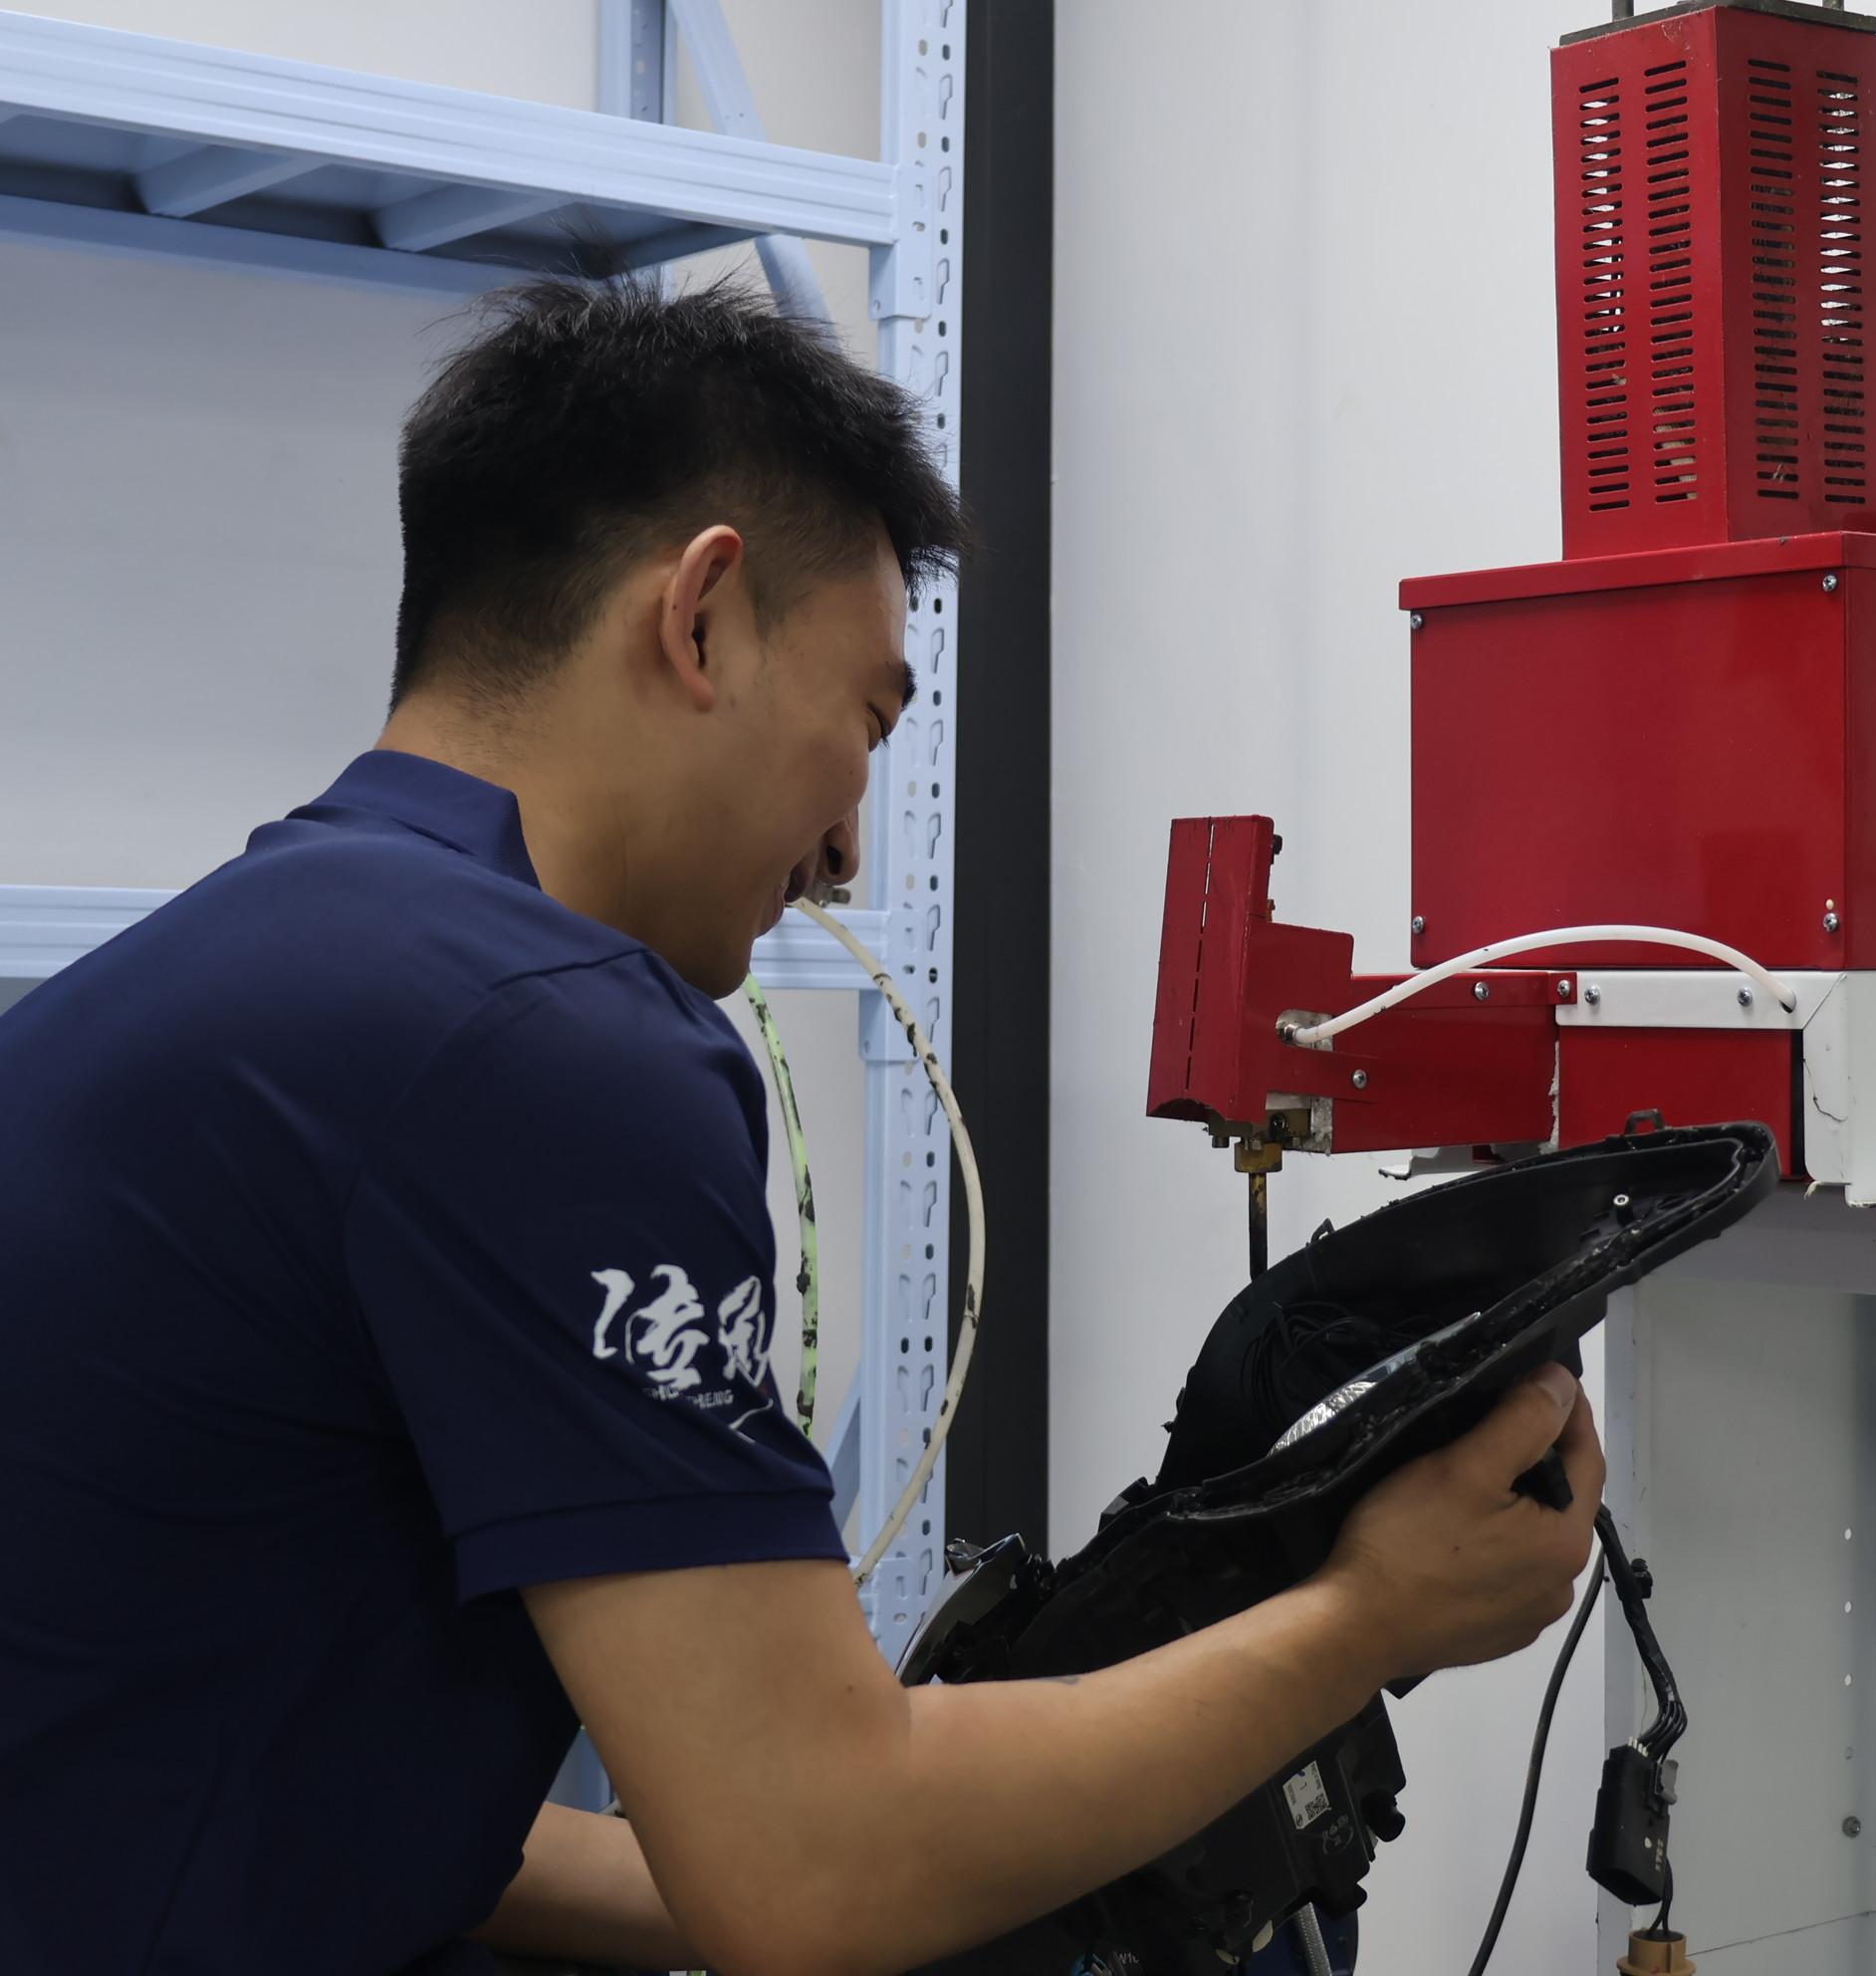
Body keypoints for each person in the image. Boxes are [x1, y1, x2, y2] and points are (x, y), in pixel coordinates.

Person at [0, 278, 1603, 1976]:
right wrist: (1361, 1621)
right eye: (869, 722)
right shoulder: (544, 1040)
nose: (847, 850)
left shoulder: (214, 977)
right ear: (700, 619)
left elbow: (317, 1786)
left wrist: (912, 1861)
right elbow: (818, 1873)